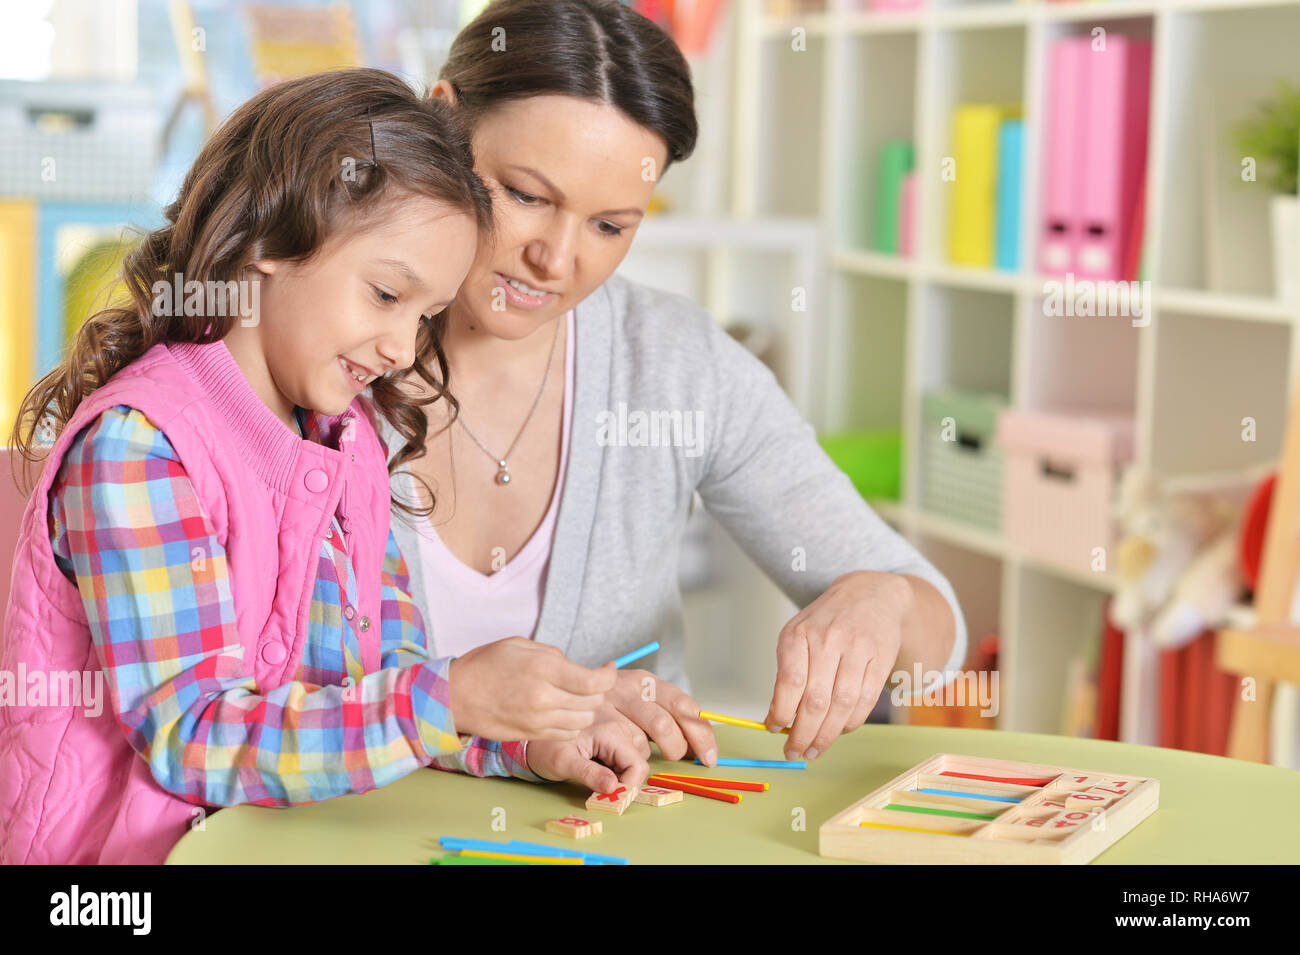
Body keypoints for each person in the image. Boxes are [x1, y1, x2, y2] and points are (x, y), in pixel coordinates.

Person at [0, 68, 643, 866]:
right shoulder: (141, 447)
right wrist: (455, 697)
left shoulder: (349, 440)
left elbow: (378, 685)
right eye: (384, 294)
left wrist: (509, 738)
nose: (403, 348)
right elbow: (190, 735)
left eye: (425, 316)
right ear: (269, 242)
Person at [384, 0, 967, 770]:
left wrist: (883, 602)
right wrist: (492, 722)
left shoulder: (674, 365)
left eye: (610, 226)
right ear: (442, 122)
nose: (556, 261)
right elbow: (242, 695)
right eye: (527, 195)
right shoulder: (337, 346)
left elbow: (937, 636)